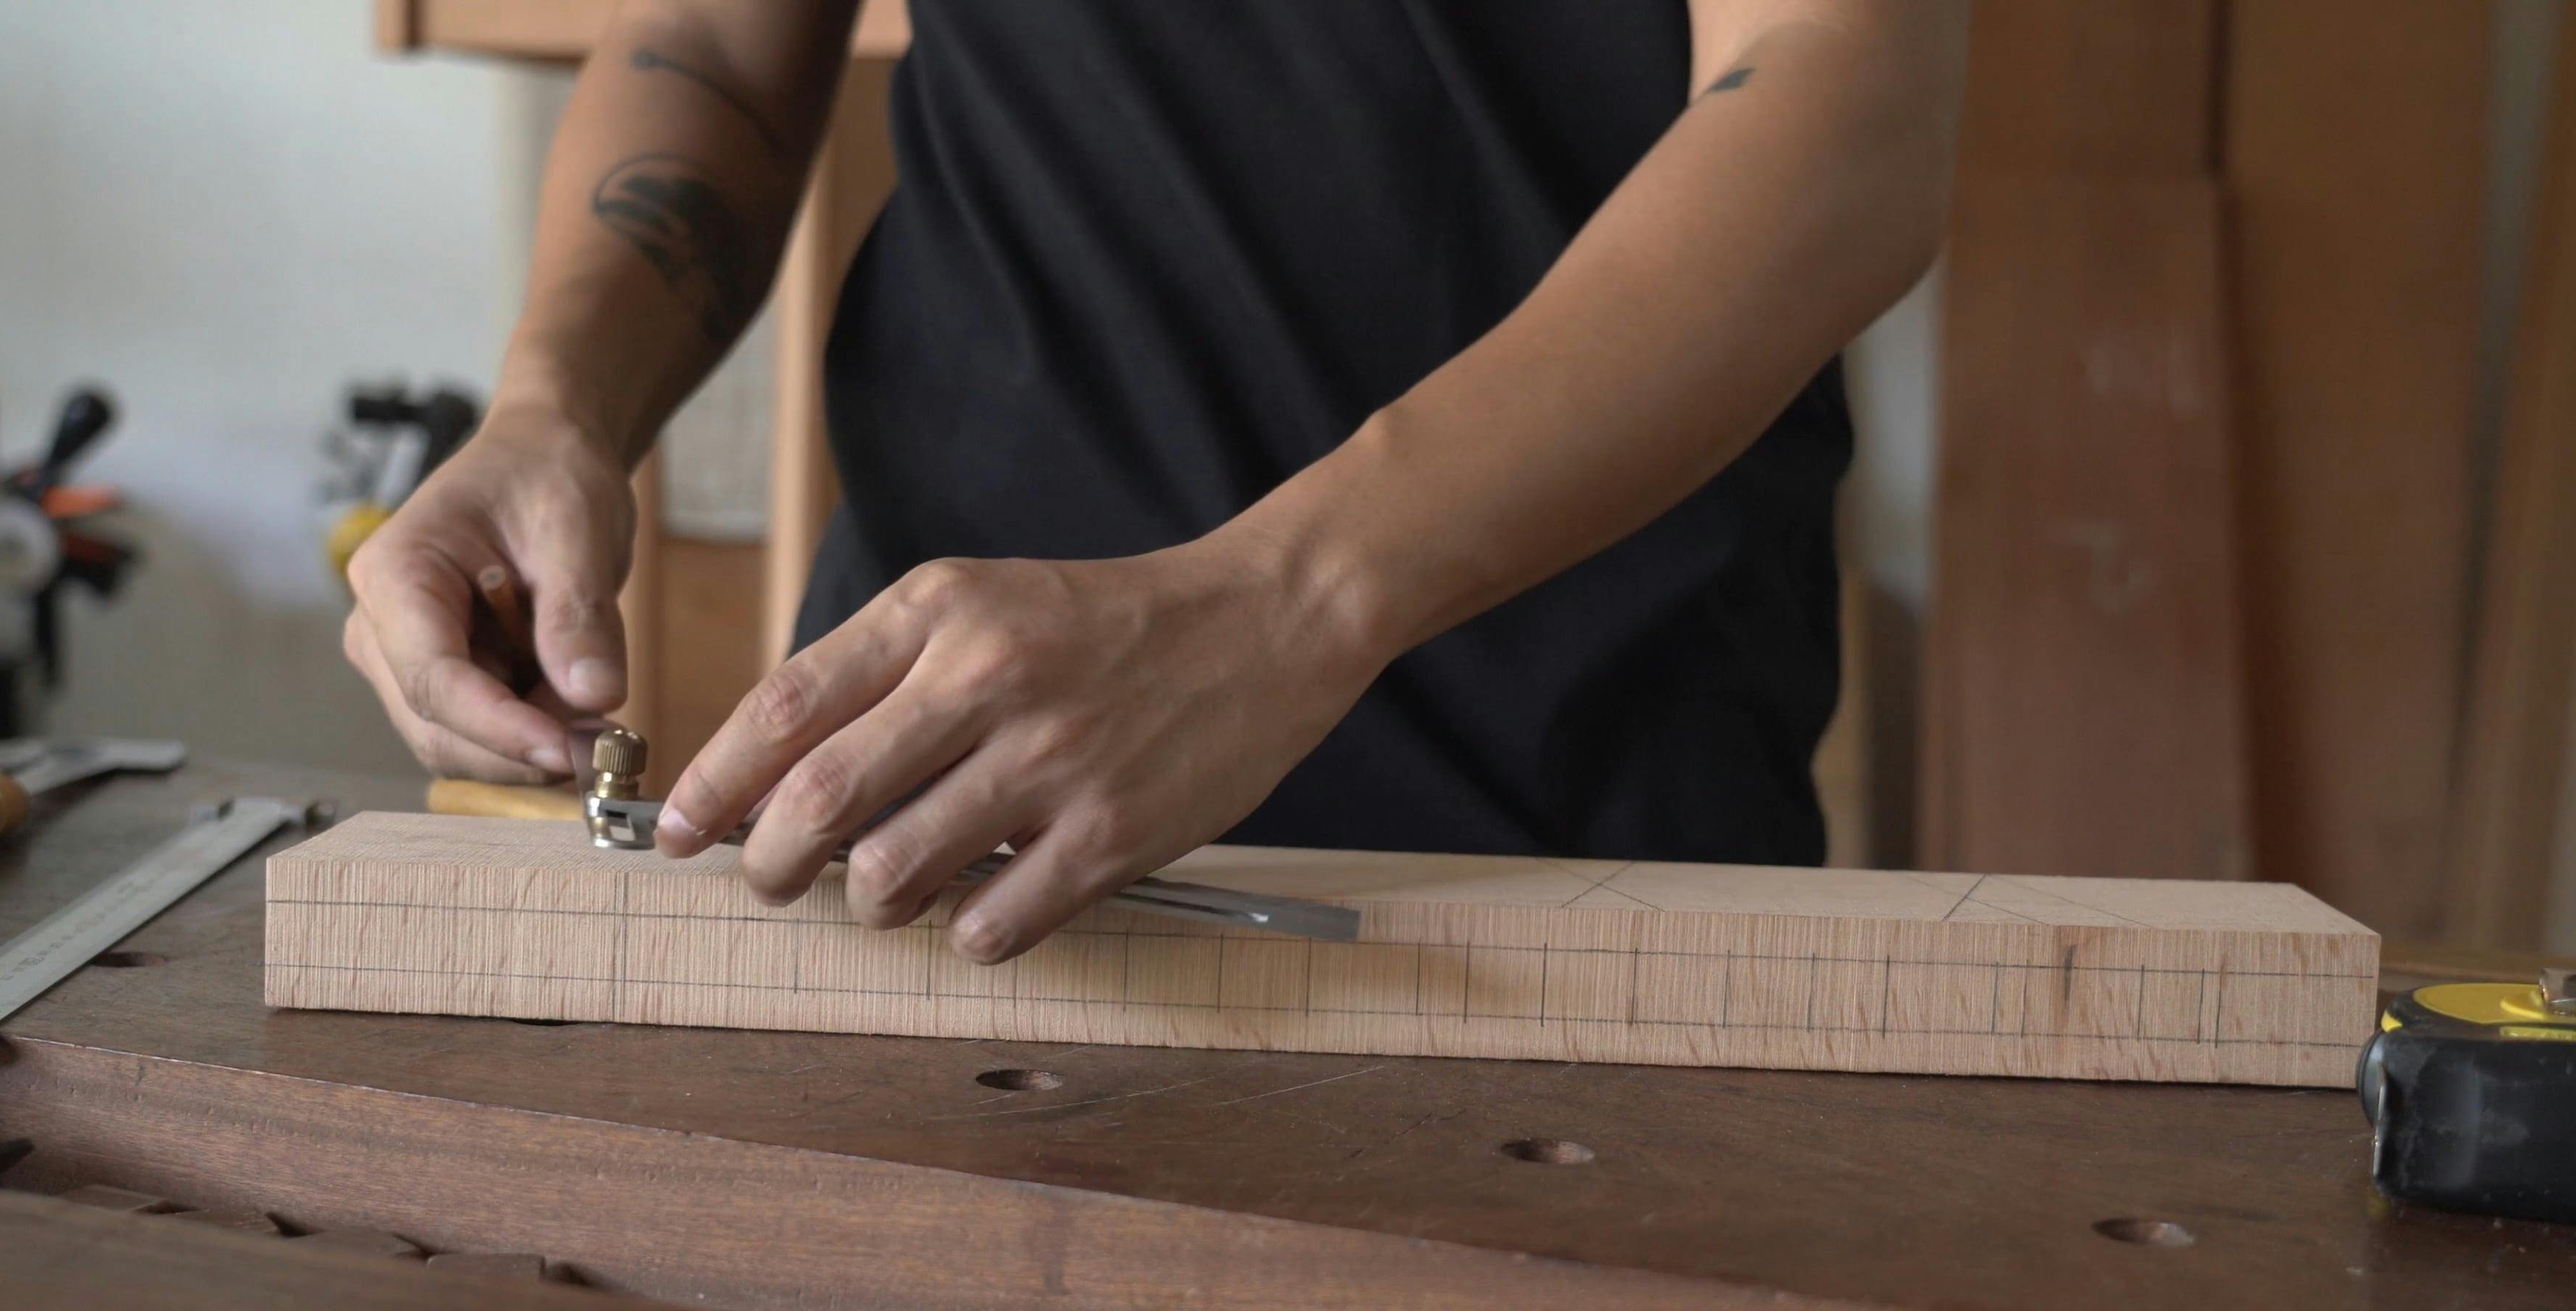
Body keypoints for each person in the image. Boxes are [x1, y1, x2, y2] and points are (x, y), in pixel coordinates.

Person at [342, 0, 1965, 963]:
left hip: (1557, 804)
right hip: (926, 791)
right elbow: (710, 38)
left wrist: (1282, 606)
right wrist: (552, 410)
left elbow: (1846, 93)